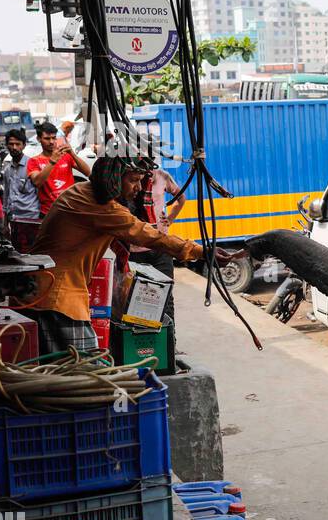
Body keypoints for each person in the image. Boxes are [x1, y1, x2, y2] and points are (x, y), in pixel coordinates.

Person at [21, 153, 235, 355]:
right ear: (114, 178)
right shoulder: (101, 207)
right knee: (85, 375)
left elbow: (116, 240)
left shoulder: (82, 192)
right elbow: (148, 235)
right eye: (133, 180)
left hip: (45, 292)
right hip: (58, 298)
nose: (139, 188)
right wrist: (200, 250)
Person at [127, 164, 186, 354]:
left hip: (161, 246)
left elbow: (180, 198)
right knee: (138, 300)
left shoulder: (161, 176)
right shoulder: (129, 180)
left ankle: (170, 347)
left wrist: (170, 219)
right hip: (135, 249)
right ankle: (143, 347)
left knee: (166, 297)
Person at [27, 121, 91, 216]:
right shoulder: (34, 161)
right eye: (47, 138)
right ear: (38, 138)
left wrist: (73, 154)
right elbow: (37, 182)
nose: (51, 142)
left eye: (53, 138)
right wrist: (52, 161)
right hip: (48, 212)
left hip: (69, 208)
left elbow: (88, 172)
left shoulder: (65, 156)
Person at [1, 128, 42, 252]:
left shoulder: (32, 165)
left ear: (24, 145)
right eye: (11, 144)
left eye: (17, 144)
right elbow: (6, 197)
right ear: (7, 145)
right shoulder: (8, 169)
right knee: (17, 253)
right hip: (14, 220)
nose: (14, 147)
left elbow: (41, 193)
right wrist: (5, 224)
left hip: (31, 219)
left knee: (31, 253)